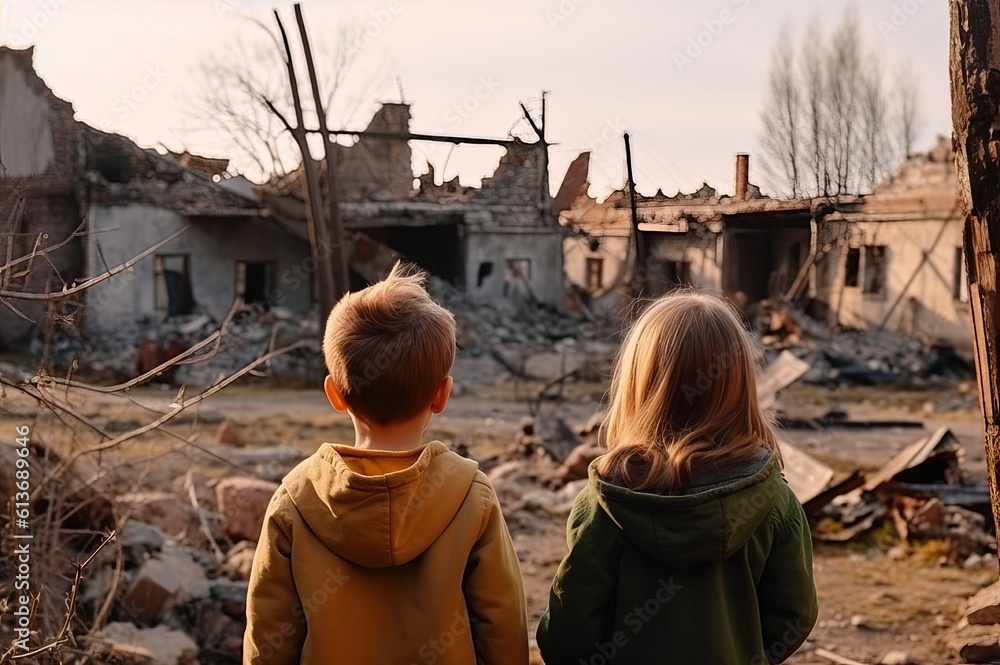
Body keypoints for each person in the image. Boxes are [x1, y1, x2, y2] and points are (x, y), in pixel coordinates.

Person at [244, 263, 528, 664]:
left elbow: (267, 636)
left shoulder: (296, 498)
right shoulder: (470, 495)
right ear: (441, 395)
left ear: (334, 394)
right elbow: (504, 627)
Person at [536, 291, 817, 665]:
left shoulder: (605, 503)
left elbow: (568, 636)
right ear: (741, 386)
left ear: (637, 385)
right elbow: (794, 616)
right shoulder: (773, 501)